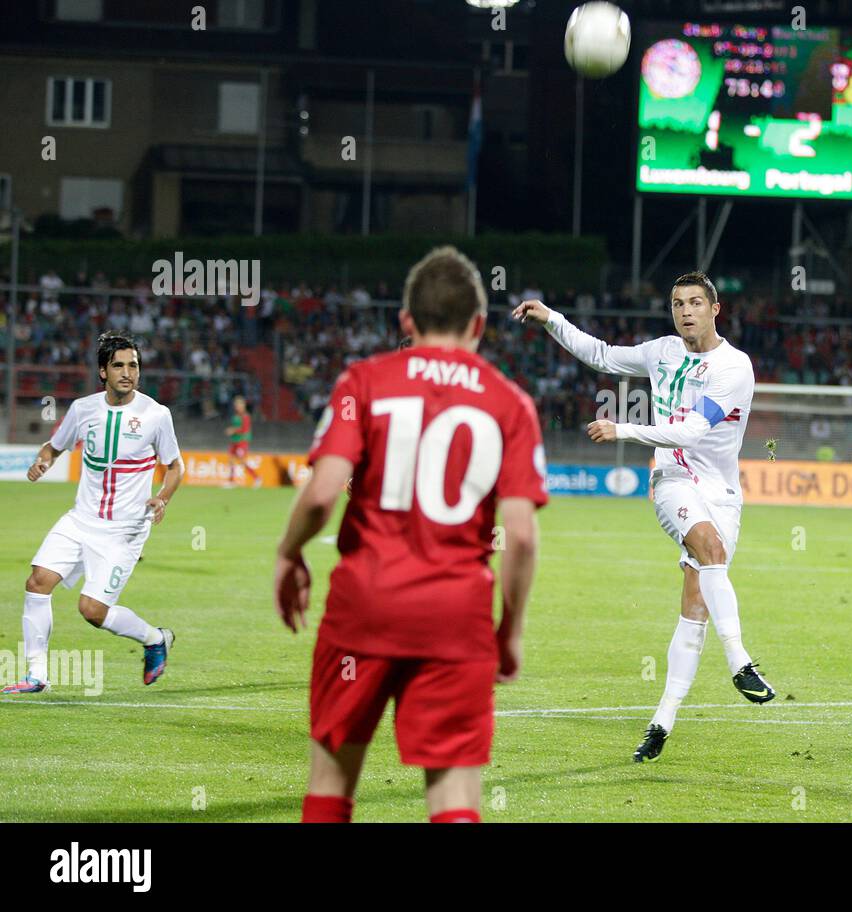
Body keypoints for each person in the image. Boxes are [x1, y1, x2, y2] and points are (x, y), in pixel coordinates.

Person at [274, 246, 546, 823]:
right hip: (455, 618)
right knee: (451, 799)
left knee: (330, 783)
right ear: (478, 324)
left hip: (363, 608)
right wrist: (511, 628)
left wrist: (289, 552)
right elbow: (520, 537)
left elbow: (322, 493)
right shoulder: (510, 403)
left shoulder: (363, 382)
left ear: (406, 321)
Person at [513, 271, 774, 765]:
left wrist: (622, 430)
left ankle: (661, 723)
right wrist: (552, 319)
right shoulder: (661, 351)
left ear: (715, 309)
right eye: (678, 304)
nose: (685, 312)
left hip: (721, 494)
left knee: (694, 610)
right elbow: (602, 354)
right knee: (710, 548)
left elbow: (694, 433)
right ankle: (740, 660)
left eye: (696, 302)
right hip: (672, 482)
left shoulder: (735, 367)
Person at [4, 331, 184, 694]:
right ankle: (37, 675)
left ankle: (154, 638)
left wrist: (162, 497)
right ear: (103, 371)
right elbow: (53, 447)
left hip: (125, 531)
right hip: (80, 519)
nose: (127, 372)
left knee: (92, 611)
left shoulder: (155, 415)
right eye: (118, 365)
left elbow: (175, 467)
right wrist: (42, 460)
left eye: (133, 365)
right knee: (38, 582)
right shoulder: (83, 410)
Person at [223, 394, 260, 487]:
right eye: (236, 405)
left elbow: (244, 429)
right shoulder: (235, 416)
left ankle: (257, 478)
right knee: (231, 460)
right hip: (234, 441)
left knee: (242, 462)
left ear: (243, 406)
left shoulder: (246, 416)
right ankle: (231, 481)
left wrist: (232, 430)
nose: (237, 407)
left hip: (242, 442)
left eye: (239, 405)